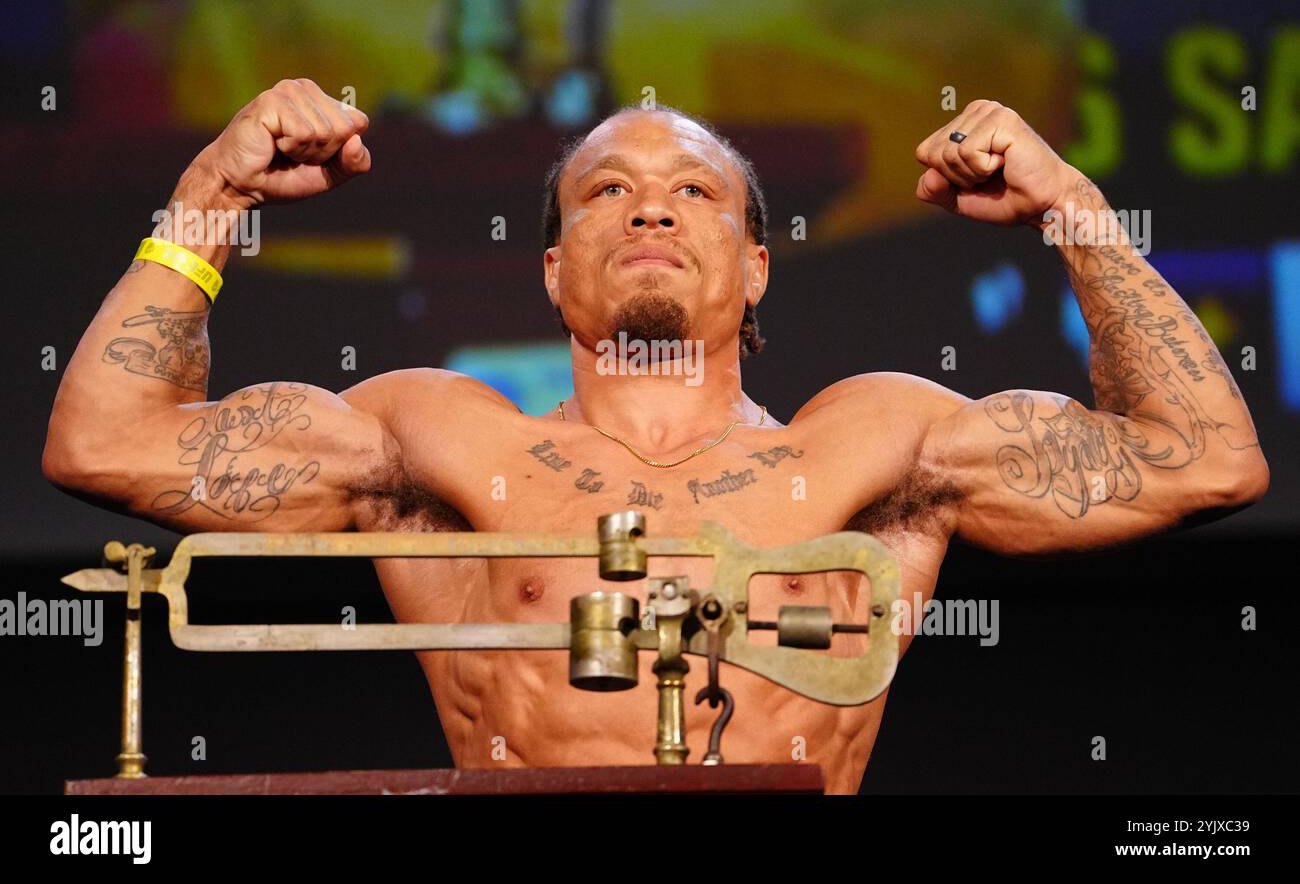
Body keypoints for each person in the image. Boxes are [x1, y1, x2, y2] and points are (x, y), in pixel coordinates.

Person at [43, 79, 1268, 794]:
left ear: (755, 266)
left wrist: (1078, 212)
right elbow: (105, 442)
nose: (649, 204)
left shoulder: (885, 444)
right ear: (551, 268)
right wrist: (210, 191)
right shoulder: (436, 441)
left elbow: (1208, 459)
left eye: (695, 191)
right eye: (604, 190)